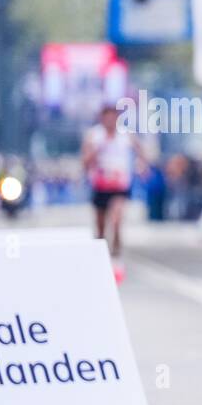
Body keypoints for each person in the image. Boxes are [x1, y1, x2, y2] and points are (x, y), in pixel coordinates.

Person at [82, 102, 147, 284]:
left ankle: (116, 258)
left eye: (113, 117)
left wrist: (142, 165)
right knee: (101, 227)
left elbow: (141, 151)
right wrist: (97, 150)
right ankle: (100, 259)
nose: (110, 120)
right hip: (100, 185)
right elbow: (84, 161)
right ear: (102, 118)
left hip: (119, 185)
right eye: (107, 117)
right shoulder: (94, 136)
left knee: (117, 220)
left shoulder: (126, 136)